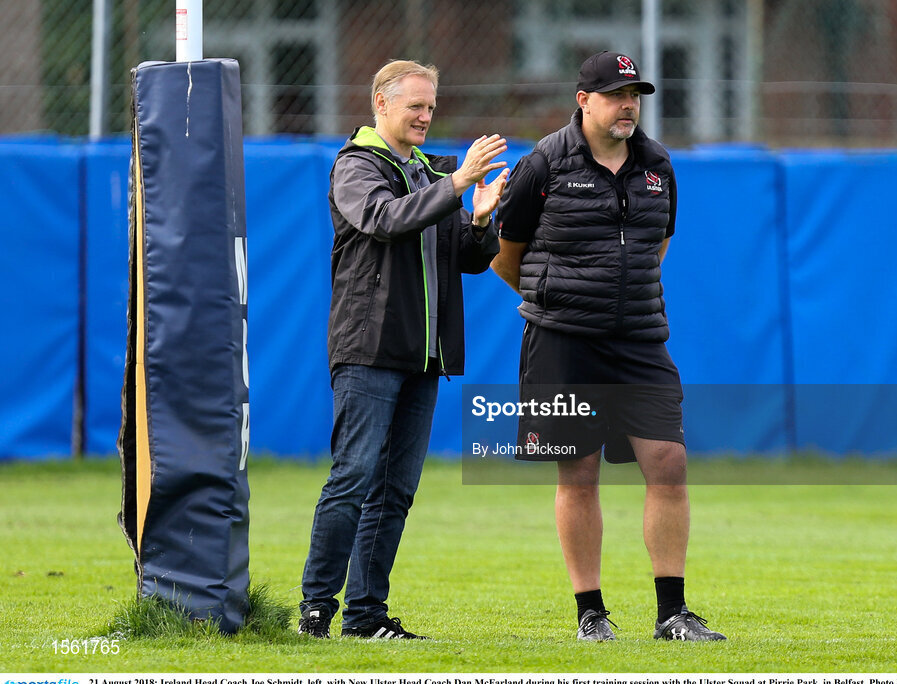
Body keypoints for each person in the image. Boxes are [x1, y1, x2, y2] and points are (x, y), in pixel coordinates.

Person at [491, 51, 725, 643]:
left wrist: (619, 299)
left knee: (669, 462)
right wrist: (558, 297)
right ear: (583, 101)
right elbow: (504, 255)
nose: (628, 106)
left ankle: (672, 614)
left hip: (639, 339)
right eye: (616, 95)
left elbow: (657, 245)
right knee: (579, 471)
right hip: (563, 340)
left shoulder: (658, 164)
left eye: (635, 96)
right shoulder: (544, 163)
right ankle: (590, 614)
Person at [299, 59, 509, 639]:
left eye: (431, 107)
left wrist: (480, 221)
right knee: (352, 478)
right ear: (381, 104)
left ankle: (366, 616)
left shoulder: (430, 170)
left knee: (395, 491)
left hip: (423, 356)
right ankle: (316, 609)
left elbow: (468, 260)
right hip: (368, 350)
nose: (425, 116)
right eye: (415, 105)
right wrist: (457, 185)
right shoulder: (356, 165)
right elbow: (384, 220)